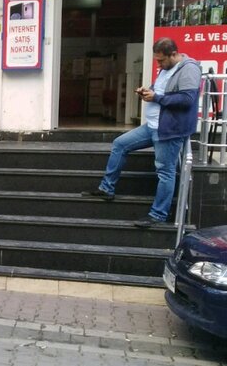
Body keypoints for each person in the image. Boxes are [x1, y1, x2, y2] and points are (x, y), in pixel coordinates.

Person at [83, 37, 202, 227]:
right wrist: (148, 92)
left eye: (161, 60)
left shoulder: (189, 69)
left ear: (174, 54)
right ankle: (107, 189)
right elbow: (161, 91)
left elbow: (186, 100)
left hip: (169, 130)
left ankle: (158, 215)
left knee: (165, 171)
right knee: (120, 144)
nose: (159, 64)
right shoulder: (166, 68)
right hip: (152, 126)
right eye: (157, 60)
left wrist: (157, 97)